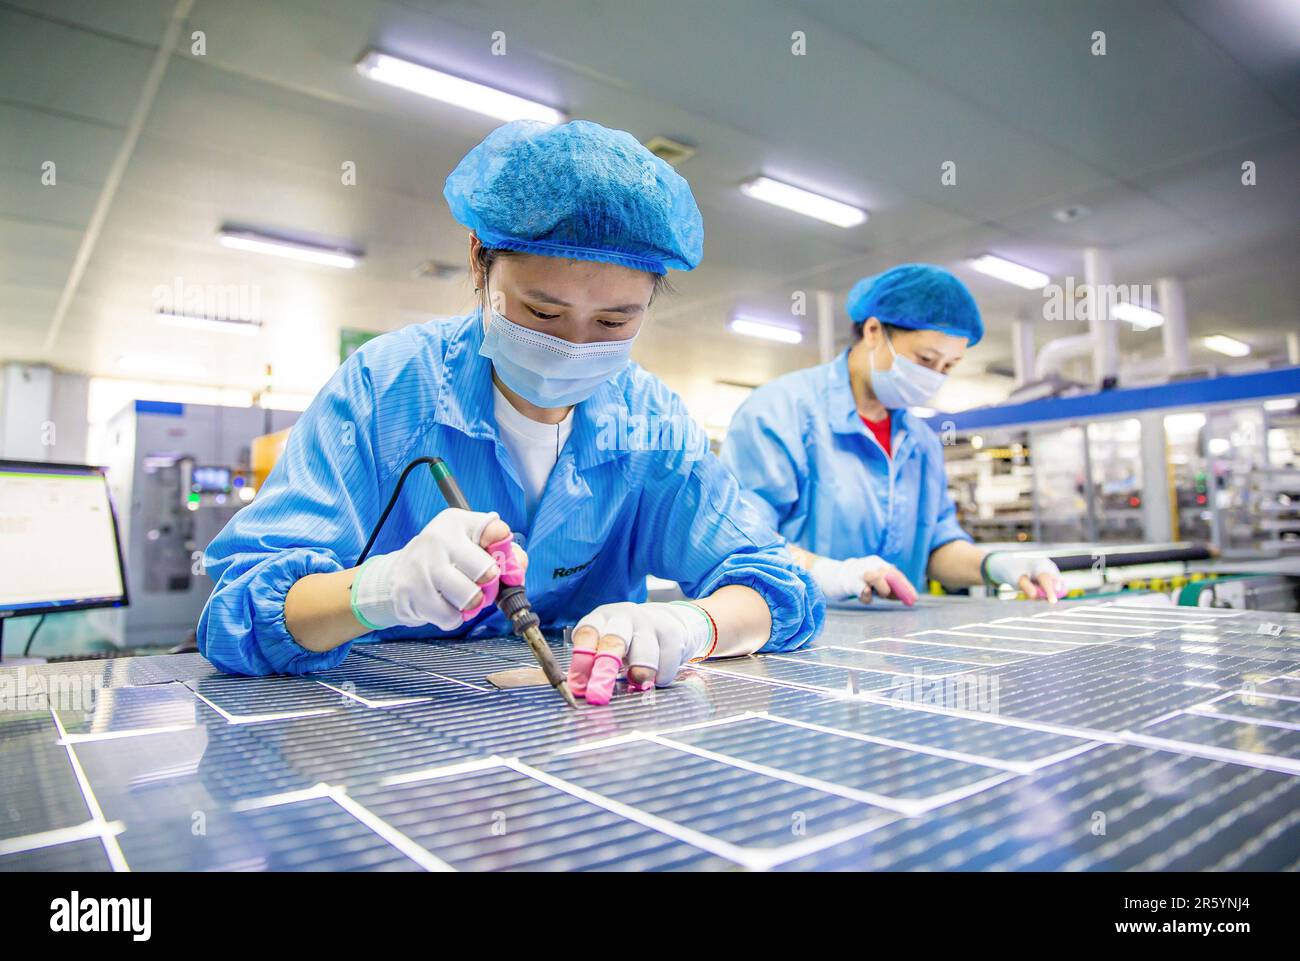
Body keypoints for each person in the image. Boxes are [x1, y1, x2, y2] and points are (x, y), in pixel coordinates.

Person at [197, 119, 822, 703]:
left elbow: (776, 588)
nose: (573, 346)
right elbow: (238, 614)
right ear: (478, 260)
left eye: (614, 321)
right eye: (542, 314)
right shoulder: (385, 387)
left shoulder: (651, 425)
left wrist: (696, 625)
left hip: (585, 747)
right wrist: (376, 592)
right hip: (388, 735)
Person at [722, 264, 1063, 607]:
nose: (934, 376)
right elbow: (743, 535)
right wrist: (832, 574)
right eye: (925, 359)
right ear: (873, 331)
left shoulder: (921, 441)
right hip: (798, 629)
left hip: (897, 640)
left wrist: (995, 565)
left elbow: (935, 547)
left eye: (948, 366)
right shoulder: (780, 411)